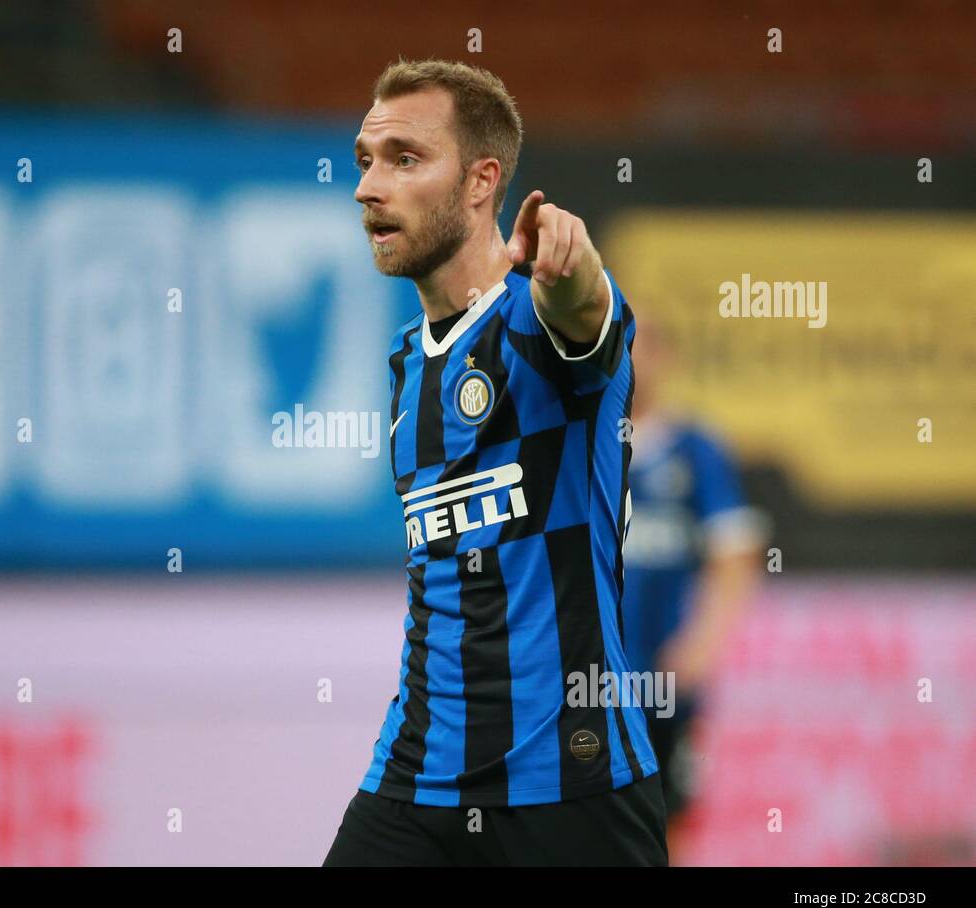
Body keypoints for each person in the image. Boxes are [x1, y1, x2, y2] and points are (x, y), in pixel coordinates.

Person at [324, 59, 665, 866]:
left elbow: (583, 312)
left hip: (576, 789)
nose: (370, 188)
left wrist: (571, 266)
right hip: (415, 782)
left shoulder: (539, 330)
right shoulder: (408, 365)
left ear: (483, 182)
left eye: (405, 160)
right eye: (366, 162)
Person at [621, 317, 765, 855]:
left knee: (669, 819)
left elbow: (736, 553)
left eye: (642, 347)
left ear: (665, 358)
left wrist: (705, 641)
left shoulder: (695, 450)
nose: (631, 361)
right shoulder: (577, 445)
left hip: (664, 682)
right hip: (584, 684)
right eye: (618, 347)